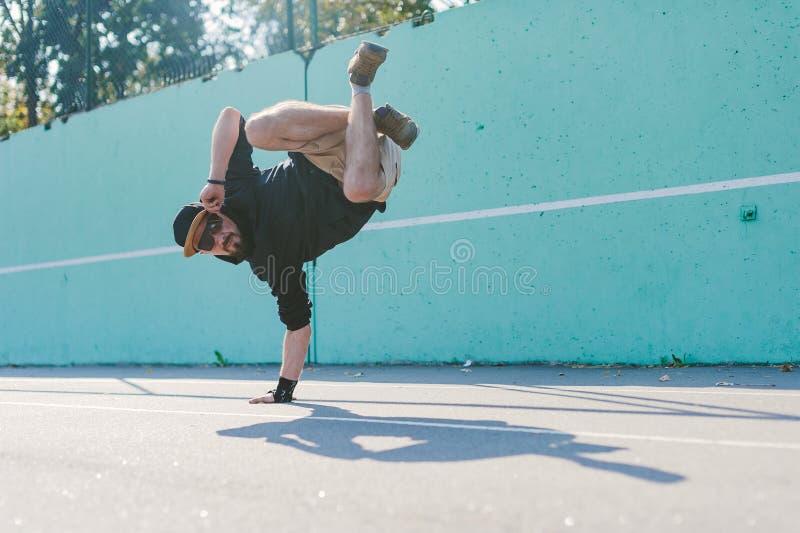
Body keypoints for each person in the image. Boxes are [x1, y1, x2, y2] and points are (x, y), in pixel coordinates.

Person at [172, 41, 418, 404]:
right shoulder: (269, 263)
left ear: (216, 211)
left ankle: (361, 97)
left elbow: (230, 116)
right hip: (368, 171)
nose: (218, 236)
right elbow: (297, 325)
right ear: (210, 254)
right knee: (358, 187)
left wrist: (215, 178)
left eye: (212, 226)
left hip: (324, 148)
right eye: (208, 243)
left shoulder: (234, 190)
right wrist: (284, 391)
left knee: (256, 128)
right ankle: (363, 99)